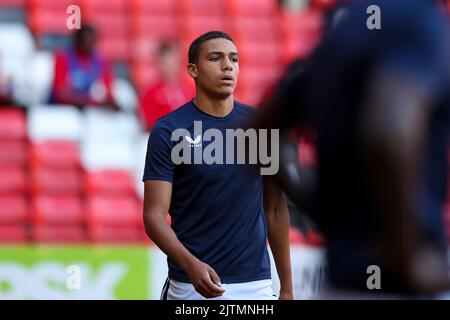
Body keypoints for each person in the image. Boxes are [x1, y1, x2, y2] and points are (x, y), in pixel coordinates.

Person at [254, 0, 450, 298]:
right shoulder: (417, 21)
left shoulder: (344, 29)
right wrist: (407, 253)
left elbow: (260, 130)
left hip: (342, 283)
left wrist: (322, 209)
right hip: (400, 285)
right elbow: (388, 130)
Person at [142, 31, 293, 300]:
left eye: (234, 59)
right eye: (216, 58)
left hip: (255, 287)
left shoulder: (261, 127)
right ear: (193, 70)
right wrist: (190, 265)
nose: (227, 66)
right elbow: (154, 216)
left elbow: (276, 210)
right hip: (190, 287)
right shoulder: (169, 130)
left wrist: (287, 288)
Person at [49, 25, 118, 110]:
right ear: (78, 40)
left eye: (91, 40)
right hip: (65, 112)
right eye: (85, 40)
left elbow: (107, 93)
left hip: (92, 112)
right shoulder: (63, 59)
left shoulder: (102, 62)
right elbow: (60, 92)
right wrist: (85, 101)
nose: (88, 43)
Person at [139, 41, 194, 131]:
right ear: (159, 64)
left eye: (173, 63)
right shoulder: (150, 93)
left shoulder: (191, 90)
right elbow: (147, 122)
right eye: (166, 64)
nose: (170, 67)